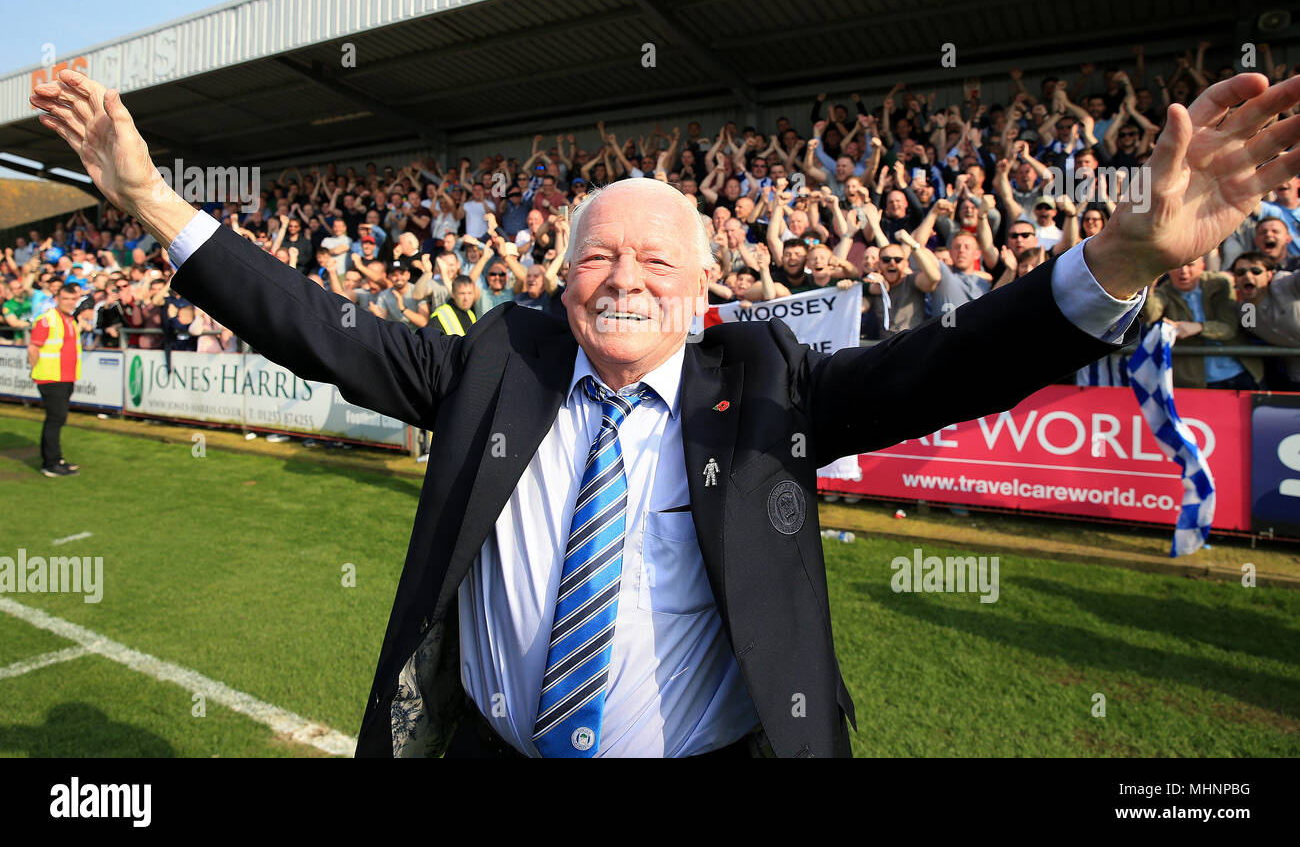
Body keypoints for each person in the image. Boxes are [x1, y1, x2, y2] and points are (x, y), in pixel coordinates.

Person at [32, 69, 1300, 757]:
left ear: (706, 291)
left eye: (655, 263)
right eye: (598, 259)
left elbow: (952, 362)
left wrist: (1122, 262)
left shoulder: (768, 386)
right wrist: (148, 199)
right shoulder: (496, 365)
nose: (624, 279)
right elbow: (312, 323)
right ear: (559, 277)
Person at [1141, 255, 1260, 389]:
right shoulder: (1163, 291)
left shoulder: (1219, 284)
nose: (1184, 271)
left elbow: (1228, 328)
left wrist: (1198, 327)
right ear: (1168, 270)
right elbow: (1149, 316)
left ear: (1202, 266)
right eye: (1177, 266)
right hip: (1197, 382)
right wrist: (1149, 288)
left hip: (1239, 372)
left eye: (1190, 265)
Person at [27, 282, 83, 477]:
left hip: (65, 377)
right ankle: (50, 463)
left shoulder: (69, 319)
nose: (69, 302)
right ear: (57, 299)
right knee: (55, 419)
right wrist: (36, 371)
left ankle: (56, 459)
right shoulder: (47, 319)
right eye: (65, 299)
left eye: (72, 299)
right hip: (51, 377)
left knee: (58, 419)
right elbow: (33, 348)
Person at [1231, 251, 1300, 390]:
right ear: (1235, 279)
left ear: (1269, 275)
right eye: (1240, 272)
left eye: (1256, 271)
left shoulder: (1283, 283)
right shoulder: (1245, 310)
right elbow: (1251, 339)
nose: (1247, 276)